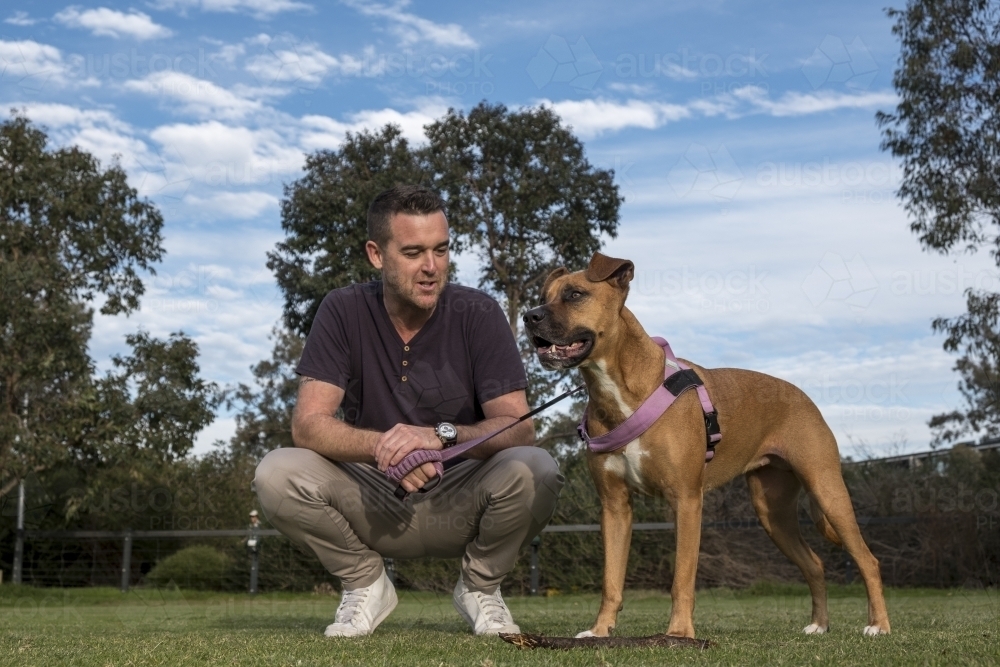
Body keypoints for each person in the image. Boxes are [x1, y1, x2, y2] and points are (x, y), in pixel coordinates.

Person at [253, 185, 564, 638]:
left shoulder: (478, 312)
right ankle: (365, 582)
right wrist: (383, 446)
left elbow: (519, 428)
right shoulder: (342, 309)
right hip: (374, 497)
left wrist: (437, 436)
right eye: (414, 252)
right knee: (276, 472)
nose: (431, 267)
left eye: (441, 249)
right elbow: (308, 424)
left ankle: (480, 587)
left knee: (538, 467)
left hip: (459, 493)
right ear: (377, 255)